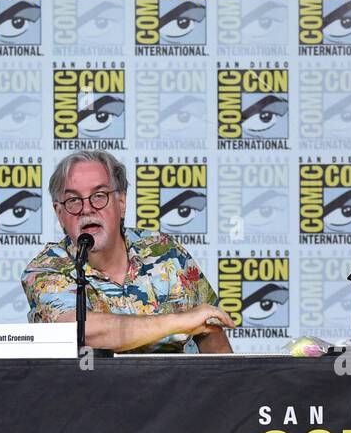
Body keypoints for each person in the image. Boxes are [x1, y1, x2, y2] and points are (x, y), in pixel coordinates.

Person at [21, 150, 235, 353]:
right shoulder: (46, 269)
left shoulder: (165, 251)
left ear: (121, 202)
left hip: (178, 388)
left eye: (99, 195)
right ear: (59, 213)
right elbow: (78, 331)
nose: (87, 209)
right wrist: (180, 322)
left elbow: (210, 332)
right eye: (73, 200)